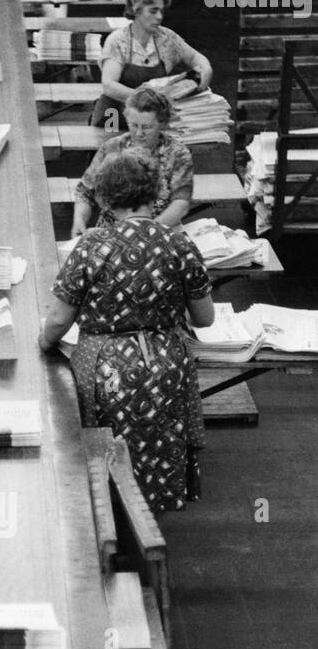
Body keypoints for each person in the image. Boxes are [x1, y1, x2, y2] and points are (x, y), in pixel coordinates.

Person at [40, 153, 215, 516]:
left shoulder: (92, 245)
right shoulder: (178, 243)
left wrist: (44, 342)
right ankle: (147, 522)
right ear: (156, 193)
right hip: (166, 364)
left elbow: (59, 319)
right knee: (156, 451)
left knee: (104, 453)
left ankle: (109, 522)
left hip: (107, 368)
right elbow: (205, 318)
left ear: (104, 200)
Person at [92, 0, 213, 130]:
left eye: (161, 11)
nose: (159, 17)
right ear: (137, 10)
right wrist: (147, 99)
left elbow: (194, 57)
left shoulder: (167, 38)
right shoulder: (118, 40)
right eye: (153, 11)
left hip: (149, 122)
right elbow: (109, 85)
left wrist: (206, 69)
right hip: (114, 118)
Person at [73, 87, 193, 235]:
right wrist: (79, 219)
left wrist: (142, 232)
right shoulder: (112, 147)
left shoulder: (178, 153)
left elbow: (181, 202)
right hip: (111, 232)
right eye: (134, 125)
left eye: (147, 127)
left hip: (159, 230)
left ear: (162, 124)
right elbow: (85, 190)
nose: (139, 133)